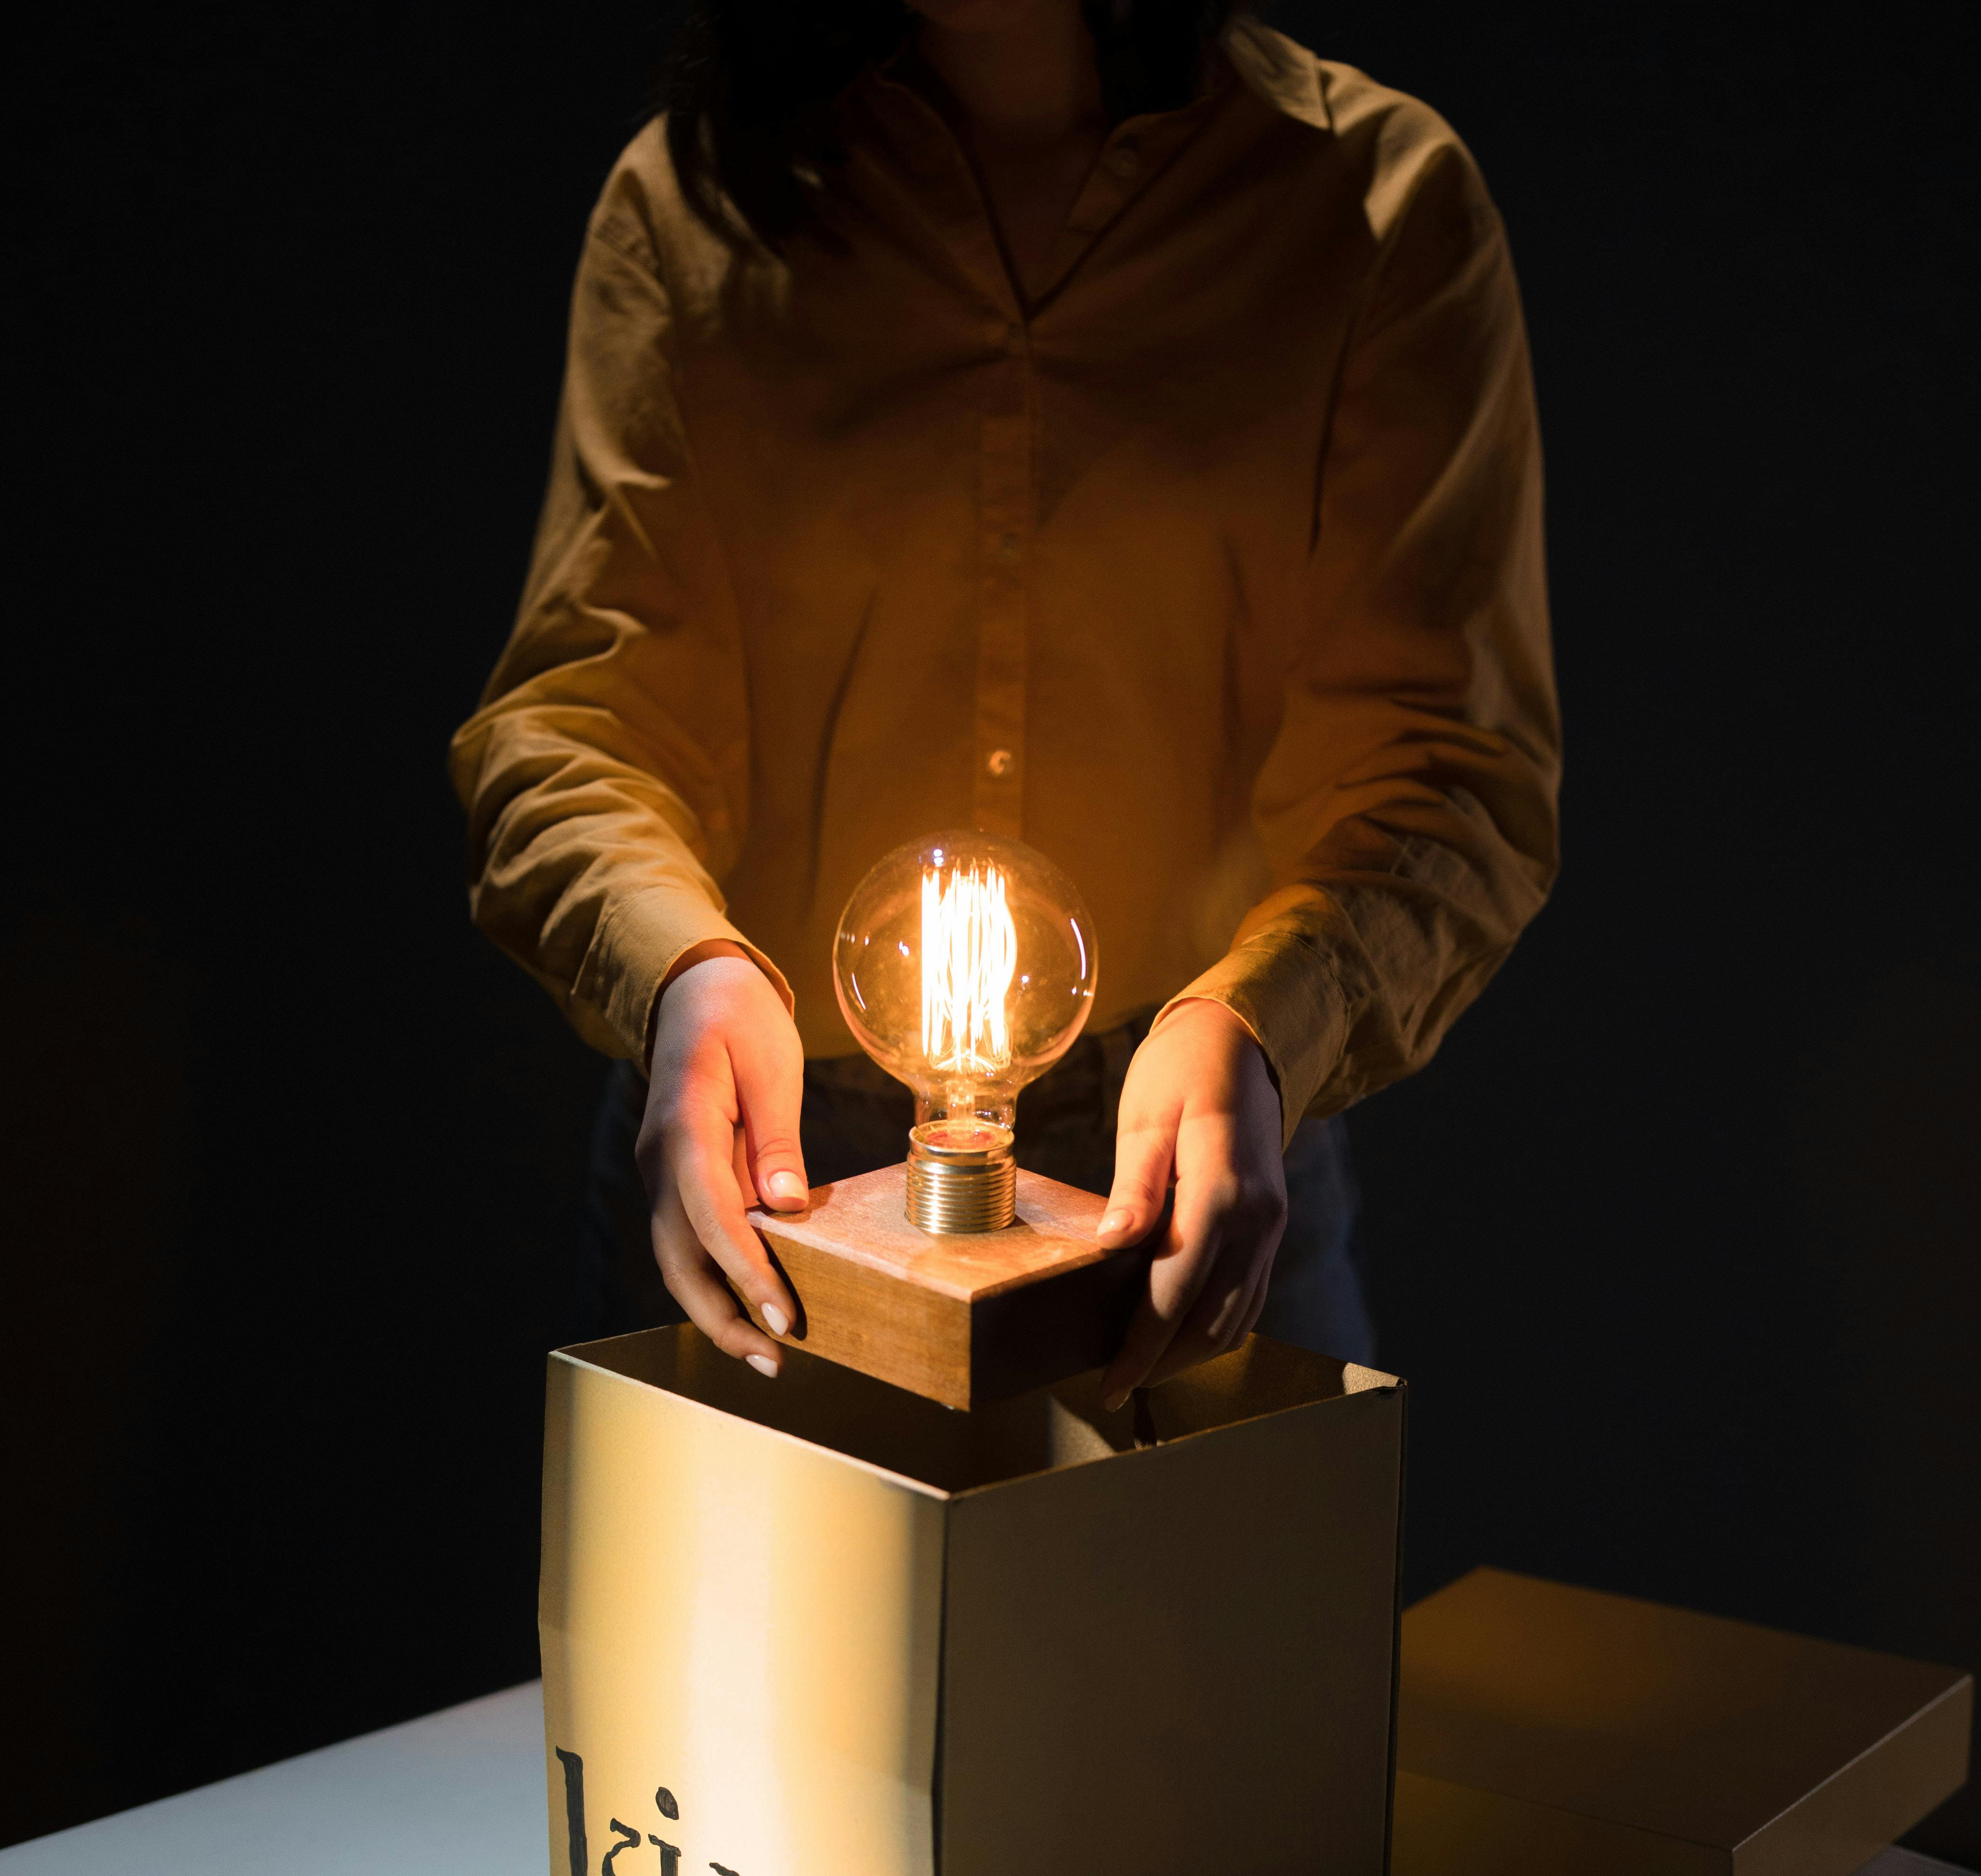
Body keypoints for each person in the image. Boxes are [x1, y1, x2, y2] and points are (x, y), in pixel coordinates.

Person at [452, 0, 1558, 1404]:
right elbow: (580, 718)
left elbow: (1448, 760)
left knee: (1204, 1624)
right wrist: (681, 971)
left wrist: (1265, 1026)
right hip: (762, 1154)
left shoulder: (1373, 204)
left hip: (1194, 1154)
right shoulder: (696, 202)